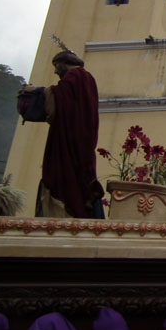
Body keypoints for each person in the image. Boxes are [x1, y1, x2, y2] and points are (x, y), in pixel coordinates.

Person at [26, 50, 104, 218]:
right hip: (81, 136)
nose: (55, 71)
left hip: (68, 137)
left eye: (56, 65)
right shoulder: (87, 78)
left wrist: (37, 91)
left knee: (63, 176)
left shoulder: (75, 76)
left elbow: (60, 98)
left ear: (64, 63)